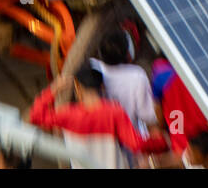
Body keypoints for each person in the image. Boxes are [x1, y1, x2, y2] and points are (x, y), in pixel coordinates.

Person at [28, 68, 167, 168]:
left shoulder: (67, 113)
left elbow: (35, 116)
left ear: (77, 87)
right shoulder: (114, 112)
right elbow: (136, 144)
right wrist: (162, 142)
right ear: (102, 87)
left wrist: (53, 89)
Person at [90, 30, 157, 133]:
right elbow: (148, 117)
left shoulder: (91, 66)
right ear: (128, 52)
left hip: (96, 136)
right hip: (128, 142)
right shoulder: (137, 75)